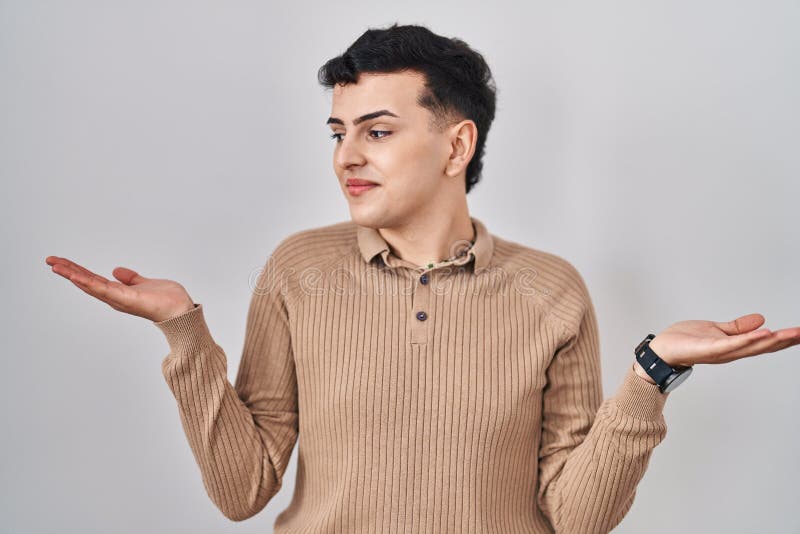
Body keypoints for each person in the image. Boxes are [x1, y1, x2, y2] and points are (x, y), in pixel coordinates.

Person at [45, 23, 799, 534]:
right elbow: (243, 491)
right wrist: (183, 332)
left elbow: (576, 518)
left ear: (456, 145)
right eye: (338, 132)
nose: (347, 156)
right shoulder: (299, 269)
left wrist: (650, 374)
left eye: (377, 131)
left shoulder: (551, 290)